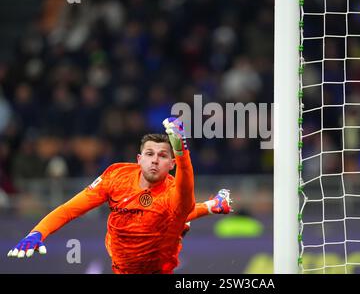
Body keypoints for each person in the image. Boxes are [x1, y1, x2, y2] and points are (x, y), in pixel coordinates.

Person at [7, 117, 232, 274]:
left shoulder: (173, 191)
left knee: (176, 215)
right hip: (120, 263)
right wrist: (37, 232)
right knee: (171, 216)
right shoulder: (116, 177)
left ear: (171, 164)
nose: (155, 160)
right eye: (149, 154)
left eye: (163, 155)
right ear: (139, 158)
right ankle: (214, 204)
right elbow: (69, 210)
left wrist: (182, 152)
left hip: (157, 268)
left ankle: (211, 205)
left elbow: (185, 197)